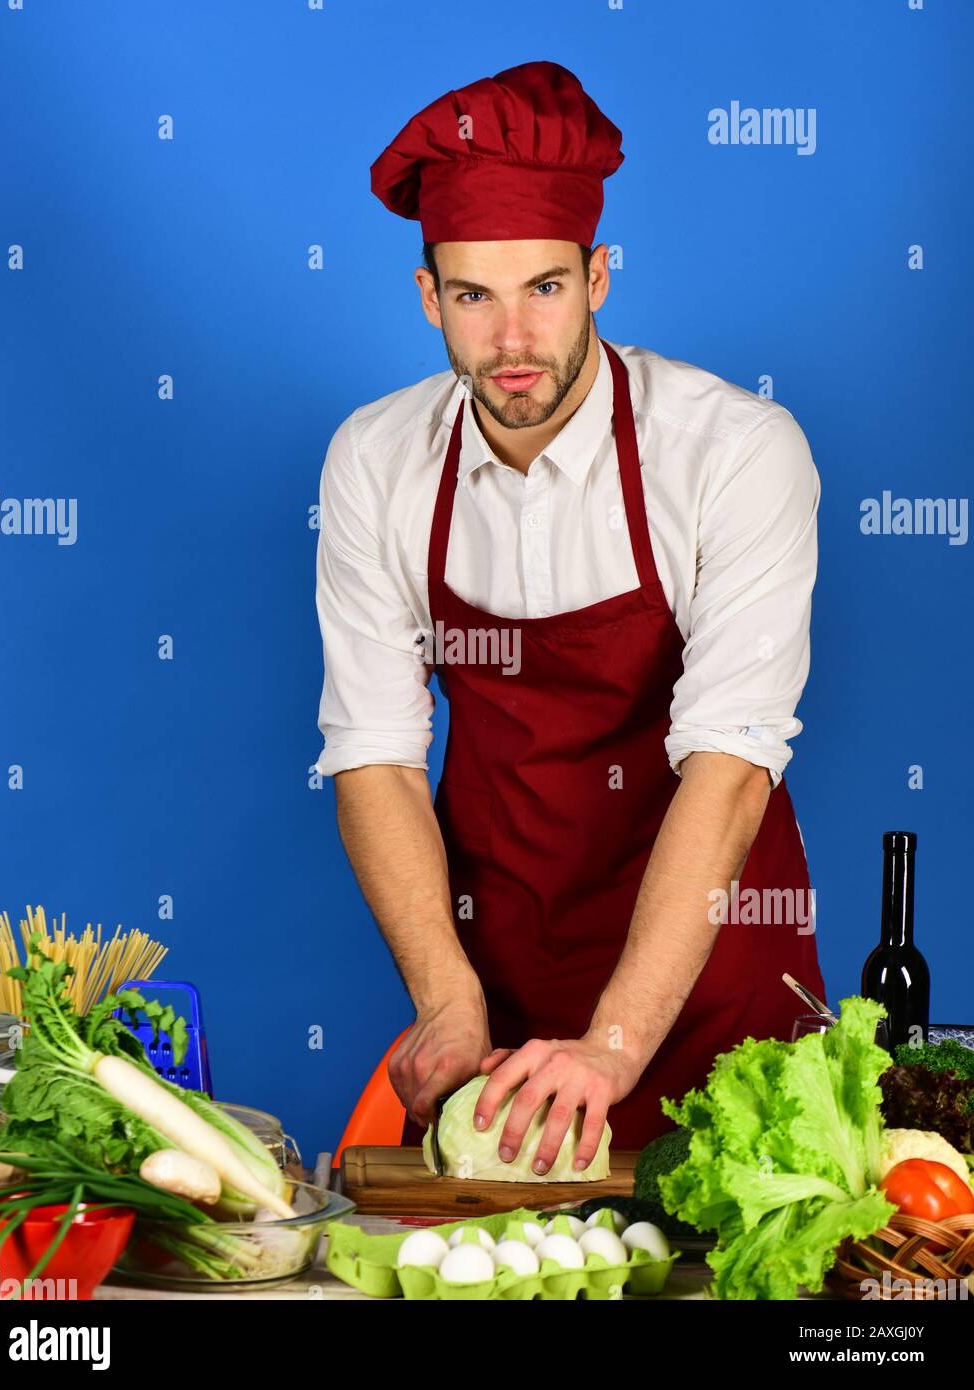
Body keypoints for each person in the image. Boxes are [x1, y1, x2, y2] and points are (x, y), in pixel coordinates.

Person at [313, 60, 827, 1173]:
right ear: (425, 295)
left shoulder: (733, 451)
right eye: (471, 294)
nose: (511, 341)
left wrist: (613, 1041)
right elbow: (375, 757)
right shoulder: (375, 459)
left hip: (708, 973)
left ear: (598, 277)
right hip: (495, 972)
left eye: (543, 288)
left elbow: (732, 765)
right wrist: (446, 997)